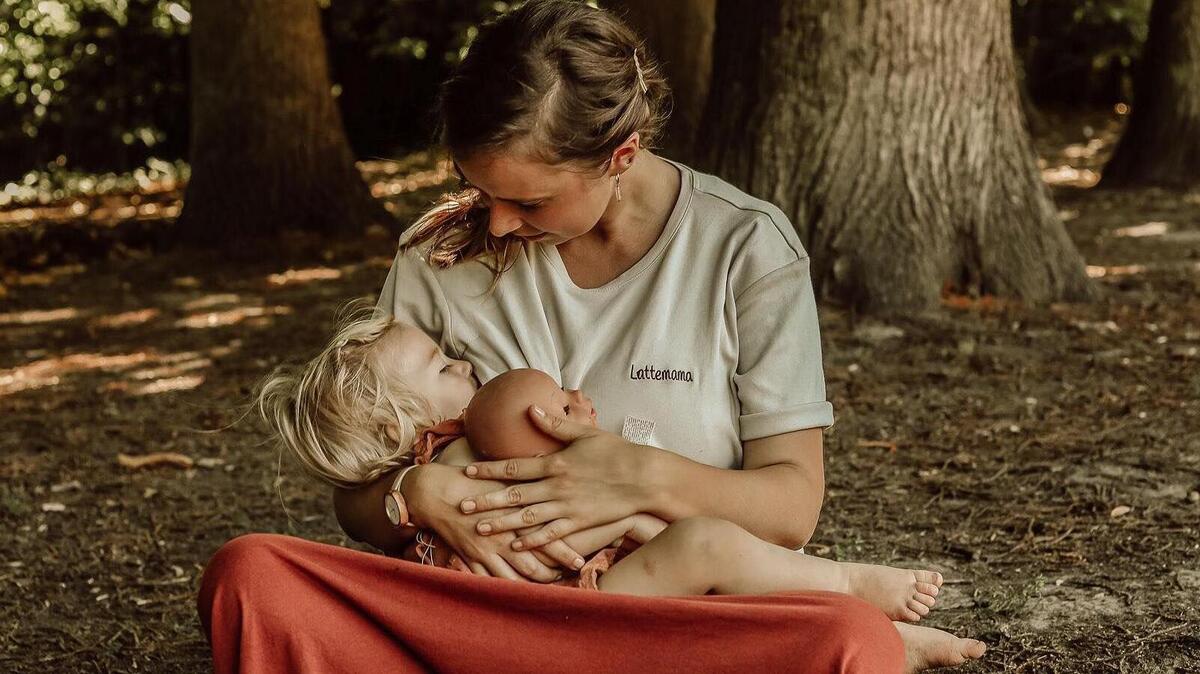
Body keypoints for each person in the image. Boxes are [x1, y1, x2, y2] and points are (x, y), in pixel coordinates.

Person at [199, 2, 986, 671]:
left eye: (529, 203)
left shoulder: (746, 251)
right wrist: (416, 495)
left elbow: (790, 509)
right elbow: (357, 492)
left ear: (621, 155)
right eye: (479, 190)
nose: (495, 223)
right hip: (477, 622)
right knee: (251, 575)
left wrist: (640, 478)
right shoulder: (439, 255)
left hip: (660, 617)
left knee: (848, 639)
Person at [256, 310, 946, 617]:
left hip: (553, 614)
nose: (463, 364)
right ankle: (843, 587)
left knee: (703, 557)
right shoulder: (476, 436)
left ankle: (845, 614)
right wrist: (574, 423)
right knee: (708, 549)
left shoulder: (428, 489)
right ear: (395, 424)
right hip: (581, 612)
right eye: (443, 366)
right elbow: (528, 408)